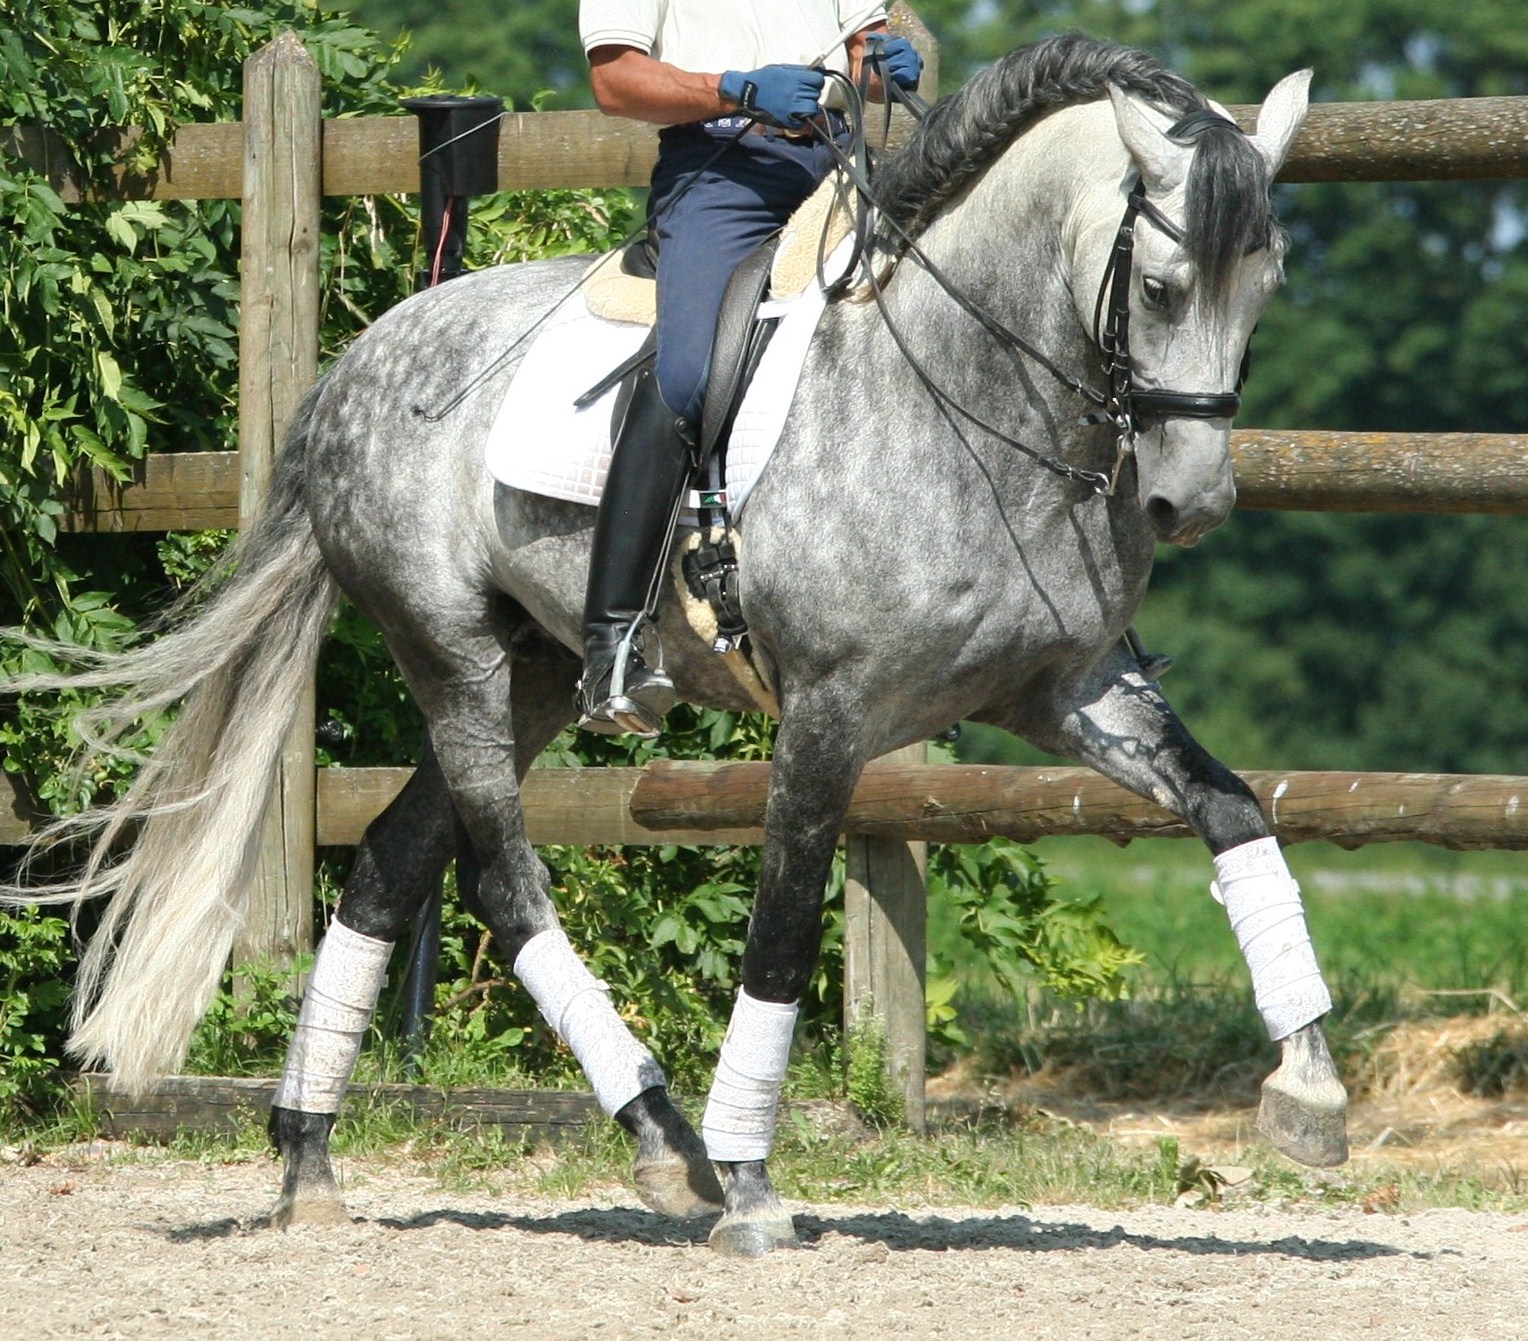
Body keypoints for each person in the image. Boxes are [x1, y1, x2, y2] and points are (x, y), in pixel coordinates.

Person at [574, 0, 924, 737]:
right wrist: (736, 89)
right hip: (721, 173)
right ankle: (615, 640)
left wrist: (882, 65)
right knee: (687, 377)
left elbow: (861, 48)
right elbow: (616, 82)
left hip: (841, 166)